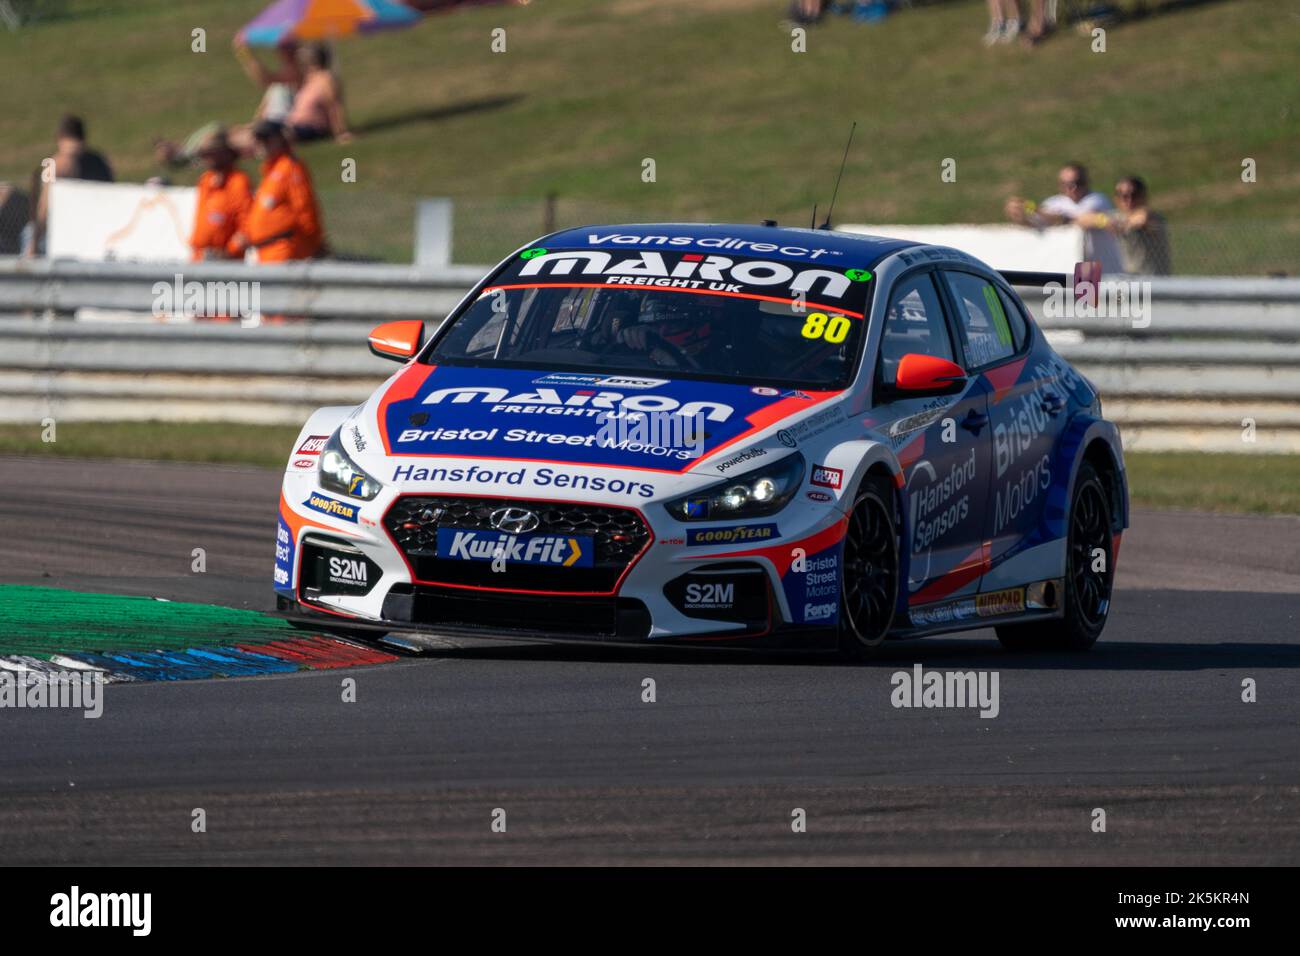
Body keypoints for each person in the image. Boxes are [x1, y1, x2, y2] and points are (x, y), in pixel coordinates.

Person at [231, 120, 323, 263]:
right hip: (266, 252)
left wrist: (313, 244)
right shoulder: (270, 172)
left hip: (284, 250)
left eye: (266, 139)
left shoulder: (290, 167)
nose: (262, 144)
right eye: (259, 140)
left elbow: (304, 208)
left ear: (280, 139)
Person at [1005, 162, 1124, 274]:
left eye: (1078, 182)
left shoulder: (1097, 199)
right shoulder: (1054, 202)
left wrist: (1035, 209)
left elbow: (1083, 218)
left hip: (1102, 270)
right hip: (1067, 271)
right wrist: (1020, 215)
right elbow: (1036, 225)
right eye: (1066, 184)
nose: (1073, 188)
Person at [22, 114, 114, 257]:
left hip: (60, 235)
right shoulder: (100, 162)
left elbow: (44, 208)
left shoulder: (57, 163)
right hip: (97, 236)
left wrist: (32, 245)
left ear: (59, 137)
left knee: (27, 234)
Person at [1082, 176, 1172, 275]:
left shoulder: (1154, 216)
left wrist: (1121, 225)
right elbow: (1084, 219)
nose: (1129, 200)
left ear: (1143, 196)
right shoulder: (1115, 216)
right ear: (1116, 198)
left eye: (1134, 195)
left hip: (1151, 278)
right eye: (1123, 196)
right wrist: (1104, 222)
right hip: (1124, 279)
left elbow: (1142, 218)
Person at [188, 127, 252, 262]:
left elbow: (247, 224)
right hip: (199, 256)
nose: (207, 158)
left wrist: (230, 251)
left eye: (211, 153)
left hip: (224, 260)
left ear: (225, 153)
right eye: (205, 154)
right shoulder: (206, 180)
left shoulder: (238, 182)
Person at [282, 42, 353, 145]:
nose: (299, 60)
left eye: (302, 57)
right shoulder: (308, 79)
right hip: (293, 125)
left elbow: (334, 105)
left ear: (312, 60)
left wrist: (341, 132)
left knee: (274, 135)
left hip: (311, 127)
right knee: (257, 131)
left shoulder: (326, 78)